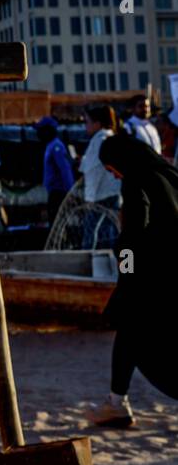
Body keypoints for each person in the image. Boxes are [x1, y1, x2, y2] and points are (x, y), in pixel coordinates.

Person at [89, 131, 178, 427]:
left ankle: (117, 402)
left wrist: (125, 272)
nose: (113, 177)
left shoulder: (136, 180)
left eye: (111, 170)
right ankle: (117, 401)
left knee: (131, 332)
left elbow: (133, 236)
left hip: (151, 276)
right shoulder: (169, 174)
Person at [80, 105, 122, 250]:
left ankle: (88, 265)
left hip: (100, 195)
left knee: (92, 234)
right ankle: (111, 264)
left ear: (97, 123)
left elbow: (93, 171)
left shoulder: (99, 140)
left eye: (87, 122)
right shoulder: (111, 137)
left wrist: (89, 199)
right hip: (113, 193)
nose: (85, 126)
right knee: (110, 231)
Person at [35, 116, 75, 227]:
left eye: (41, 130)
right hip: (53, 192)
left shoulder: (56, 147)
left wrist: (69, 192)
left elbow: (65, 170)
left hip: (59, 193)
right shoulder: (50, 146)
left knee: (58, 223)